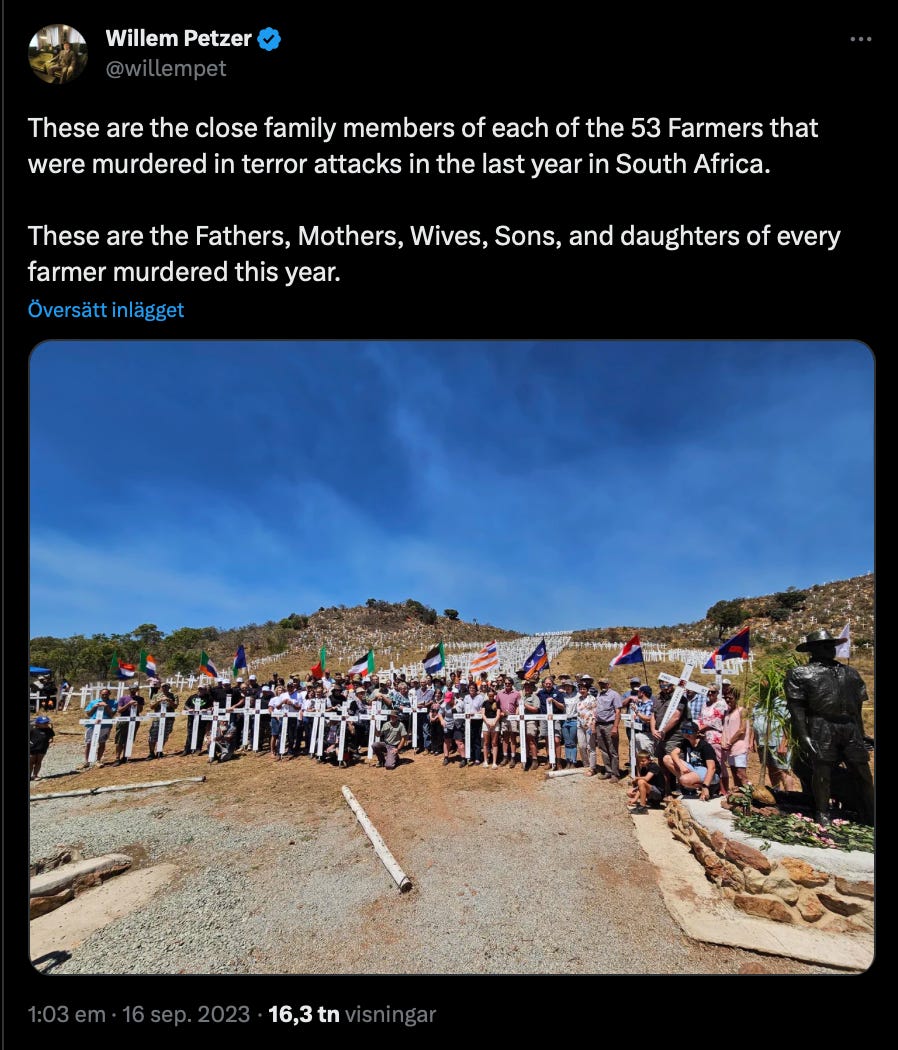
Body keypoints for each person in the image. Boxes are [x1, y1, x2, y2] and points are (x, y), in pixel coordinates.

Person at [785, 628, 874, 826]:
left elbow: (857, 708)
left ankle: (870, 813)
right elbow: (796, 709)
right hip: (821, 726)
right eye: (825, 646)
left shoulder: (850, 673)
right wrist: (804, 736)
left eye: (832, 645)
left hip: (849, 727)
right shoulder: (800, 674)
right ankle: (823, 813)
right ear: (813, 649)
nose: (831, 649)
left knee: (863, 773)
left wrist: (861, 733)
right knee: (822, 773)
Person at [751, 695, 798, 791]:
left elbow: (788, 724)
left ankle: (790, 796)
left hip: (778, 743)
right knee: (771, 769)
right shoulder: (758, 704)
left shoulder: (781, 703)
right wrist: (752, 740)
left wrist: (784, 743)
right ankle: (776, 793)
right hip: (763, 743)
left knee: (783, 771)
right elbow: (754, 722)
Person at [663, 722, 720, 801]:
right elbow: (673, 753)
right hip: (695, 768)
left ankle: (707, 786)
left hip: (709, 773)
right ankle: (693, 785)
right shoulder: (686, 742)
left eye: (689, 731)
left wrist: (705, 786)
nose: (686, 734)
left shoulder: (705, 746)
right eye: (684, 731)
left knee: (684, 779)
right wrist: (681, 767)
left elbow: (712, 768)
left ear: (697, 733)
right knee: (667, 759)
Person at [698, 686, 730, 793]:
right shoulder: (705, 704)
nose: (710, 694)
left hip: (715, 737)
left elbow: (715, 720)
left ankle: (724, 790)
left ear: (717, 692)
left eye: (713, 692)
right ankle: (714, 788)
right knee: (709, 763)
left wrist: (700, 729)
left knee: (720, 763)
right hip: (705, 737)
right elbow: (700, 718)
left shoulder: (721, 704)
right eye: (708, 692)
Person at [593, 676, 623, 779]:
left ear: (608, 685)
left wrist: (615, 727)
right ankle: (608, 771)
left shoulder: (615, 695)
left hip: (610, 725)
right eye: (600, 684)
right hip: (599, 725)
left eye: (604, 684)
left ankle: (615, 774)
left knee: (613, 750)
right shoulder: (599, 694)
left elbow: (618, 712)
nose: (602, 686)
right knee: (603, 749)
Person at [720, 687, 750, 789]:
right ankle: (739, 792)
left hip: (739, 746)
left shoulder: (743, 711)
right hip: (730, 748)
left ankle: (749, 793)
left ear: (736, 698)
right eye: (726, 698)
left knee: (741, 773)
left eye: (730, 698)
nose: (728, 700)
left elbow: (742, 729)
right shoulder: (727, 712)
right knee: (734, 772)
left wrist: (730, 742)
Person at [83, 688, 117, 767]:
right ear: (100, 694)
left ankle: (98, 760)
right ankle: (86, 762)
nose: (104, 696)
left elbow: (111, 715)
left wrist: (107, 706)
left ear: (109, 694)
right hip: (92, 725)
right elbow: (89, 714)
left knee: (102, 742)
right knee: (89, 743)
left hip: (105, 725)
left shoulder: (114, 702)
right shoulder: (93, 702)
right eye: (103, 694)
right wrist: (94, 707)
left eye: (106, 694)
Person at [147, 683, 180, 758]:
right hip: (157, 719)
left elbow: (175, 706)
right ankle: (151, 753)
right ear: (161, 688)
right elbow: (151, 707)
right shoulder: (155, 696)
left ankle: (159, 751)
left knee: (165, 735)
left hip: (169, 719)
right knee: (153, 735)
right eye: (163, 687)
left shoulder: (174, 696)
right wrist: (158, 701)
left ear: (169, 688)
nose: (164, 688)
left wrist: (169, 700)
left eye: (166, 687)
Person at [114, 686, 145, 764]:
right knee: (120, 740)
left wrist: (137, 705)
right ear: (129, 690)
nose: (133, 690)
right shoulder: (123, 698)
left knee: (130, 738)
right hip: (123, 721)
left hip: (134, 720)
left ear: (137, 690)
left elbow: (140, 710)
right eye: (132, 689)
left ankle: (125, 756)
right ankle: (117, 758)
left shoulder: (140, 699)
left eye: (135, 689)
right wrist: (128, 704)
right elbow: (119, 710)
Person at [497, 675, 521, 766]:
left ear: (512, 684)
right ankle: (505, 757)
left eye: (509, 683)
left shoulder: (516, 693)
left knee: (513, 738)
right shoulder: (500, 693)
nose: (507, 685)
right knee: (505, 738)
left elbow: (518, 705)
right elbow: (497, 705)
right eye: (506, 683)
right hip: (504, 718)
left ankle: (513, 757)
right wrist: (500, 713)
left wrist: (516, 715)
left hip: (513, 718)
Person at [576, 681, 598, 776]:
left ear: (587, 690)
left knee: (591, 747)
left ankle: (592, 768)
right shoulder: (579, 699)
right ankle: (586, 764)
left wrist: (593, 725)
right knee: (581, 746)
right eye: (580, 689)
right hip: (580, 725)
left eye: (584, 689)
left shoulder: (592, 699)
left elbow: (595, 712)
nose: (582, 690)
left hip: (589, 725)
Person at [559, 679, 579, 769]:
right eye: (566, 686)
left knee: (573, 742)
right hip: (565, 721)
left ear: (572, 687)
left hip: (574, 720)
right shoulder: (562, 696)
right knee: (567, 743)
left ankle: (573, 761)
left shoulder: (577, 696)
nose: (567, 687)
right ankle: (568, 761)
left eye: (569, 686)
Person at [481, 687, 502, 769]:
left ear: (494, 695)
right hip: (486, 722)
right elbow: (483, 714)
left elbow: (498, 714)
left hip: (495, 722)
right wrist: (487, 722)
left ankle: (494, 762)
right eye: (489, 695)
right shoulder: (484, 703)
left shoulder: (497, 703)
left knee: (494, 743)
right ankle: (485, 761)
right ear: (487, 695)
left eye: (492, 695)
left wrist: (494, 722)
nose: (491, 697)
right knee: (486, 743)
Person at [30, 715, 55, 780]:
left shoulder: (49, 730)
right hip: (32, 748)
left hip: (43, 748)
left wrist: (51, 739)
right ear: (38, 724)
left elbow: (51, 736)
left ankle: (35, 775)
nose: (46, 724)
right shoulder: (33, 730)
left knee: (38, 762)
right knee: (31, 762)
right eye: (44, 723)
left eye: (47, 722)